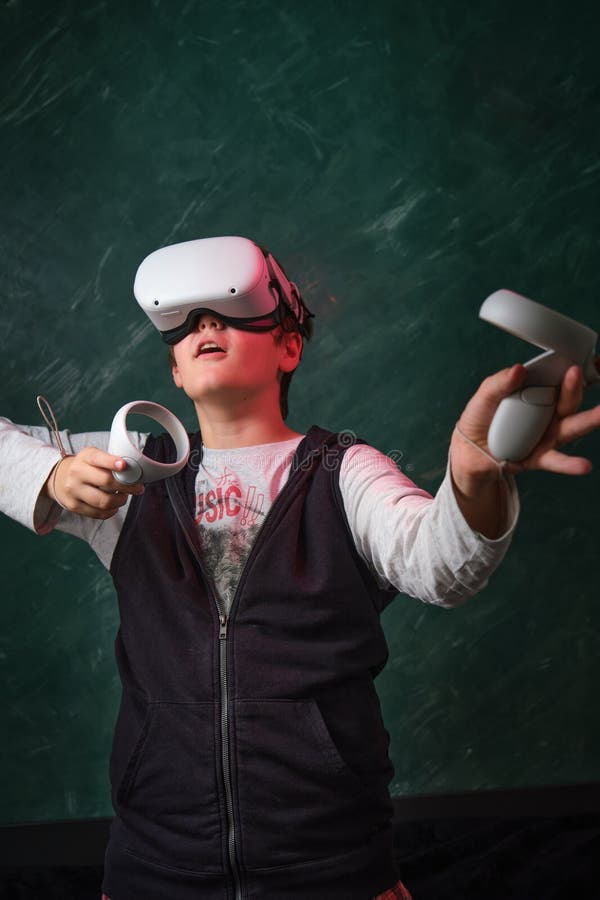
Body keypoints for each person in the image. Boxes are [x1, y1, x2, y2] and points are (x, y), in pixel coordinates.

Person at [2, 236, 599, 900]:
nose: (205, 326)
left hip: (333, 865)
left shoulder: (346, 470)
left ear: (289, 347)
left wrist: (474, 481)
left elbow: (441, 567)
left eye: (226, 313)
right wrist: (50, 474)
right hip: (156, 865)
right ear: (174, 369)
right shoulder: (121, 469)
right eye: (187, 322)